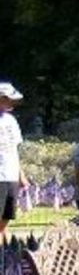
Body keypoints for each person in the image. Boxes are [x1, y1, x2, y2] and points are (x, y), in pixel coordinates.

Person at [0, 82, 28, 238]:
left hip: (11, 176)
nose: (13, 103)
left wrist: (21, 175)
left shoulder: (11, 121)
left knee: (5, 219)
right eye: (9, 99)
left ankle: (4, 258)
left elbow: (13, 150)